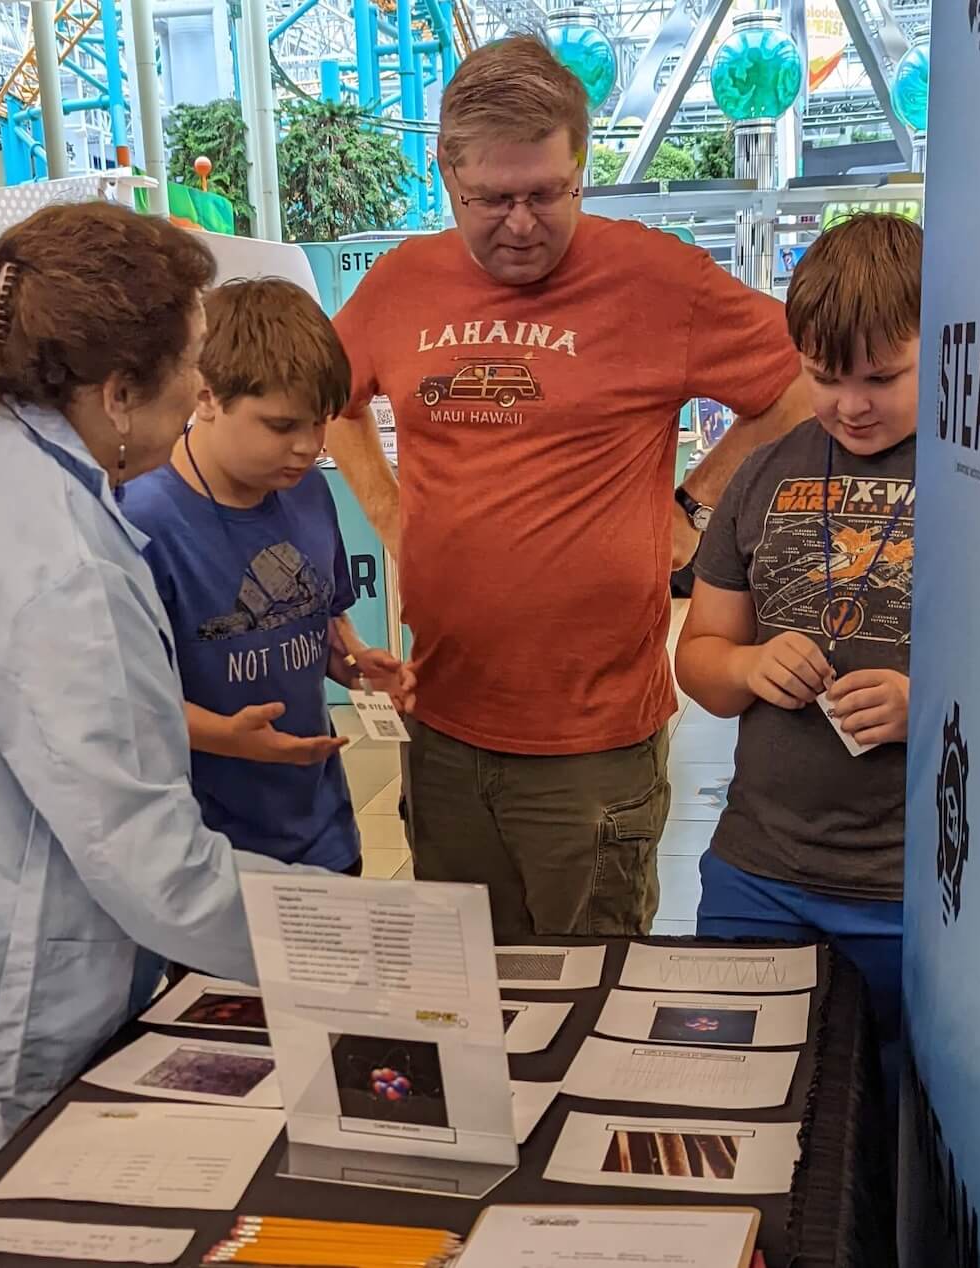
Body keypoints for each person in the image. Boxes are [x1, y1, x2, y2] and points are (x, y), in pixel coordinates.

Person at [0, 202, 300, 1268]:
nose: (201, 392)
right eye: (192, 366)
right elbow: (157, 870)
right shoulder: (56, 557)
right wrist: (353, 939)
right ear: (117, 390)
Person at [328, 36, 812, 938]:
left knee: (597, 996)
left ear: (581, 168)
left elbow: (802, 383)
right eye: (491, 199)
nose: (520, 224)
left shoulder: (658, 279)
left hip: (593, 746)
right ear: (448, 177)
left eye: (547, 194)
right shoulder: (402, 283)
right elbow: (325, 396)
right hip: (443, 726)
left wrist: (695, 503)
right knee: (468, 990)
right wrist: (388, 511)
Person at [675, 213, 923, 1093]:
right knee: (738, 1096)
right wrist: (749, 667)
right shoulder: (764, 473)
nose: (852, 405)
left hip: (909, 888)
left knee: (890, 1117)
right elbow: (701, 659)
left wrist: (926, 707)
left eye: (882, 378)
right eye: (824, 377)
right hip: (760, 871)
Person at [121, 278, 415, 875]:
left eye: (319, 423)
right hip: (206, 852)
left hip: (324, 832)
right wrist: (223, 735)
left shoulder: (308, 492)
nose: (308, 447)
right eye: (281, 426)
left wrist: (354, 661)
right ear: (207, 396)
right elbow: (114, 698)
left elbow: (319, 611)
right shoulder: (141, 521)